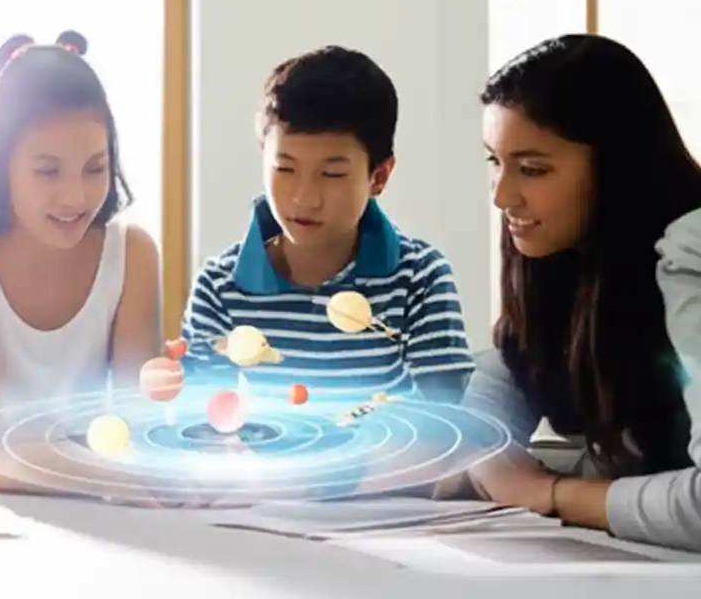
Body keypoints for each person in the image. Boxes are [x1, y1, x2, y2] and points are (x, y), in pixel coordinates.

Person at [460, 34, 701, 551]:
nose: (502, 195)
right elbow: (487, 404)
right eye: (494, 161)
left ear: (618, 167)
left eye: (533, 169)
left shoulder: (693, 255)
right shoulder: (568, 265)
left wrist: (551, 493)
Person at [181, 46, 473, 403]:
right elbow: (202, 421)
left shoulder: (419, 278)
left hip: (396, 459)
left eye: (332, 174)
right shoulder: (221, 287)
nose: (305, 198)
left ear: (379, 176)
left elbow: (448, 424)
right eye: (284, 169)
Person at [0, 31, 161, 447]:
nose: (76, 197)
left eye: (95, 169)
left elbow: (138, 426)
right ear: (2, 166)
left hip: (101, 498)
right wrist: (98, 474)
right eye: (48, 172)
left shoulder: (132, 254)